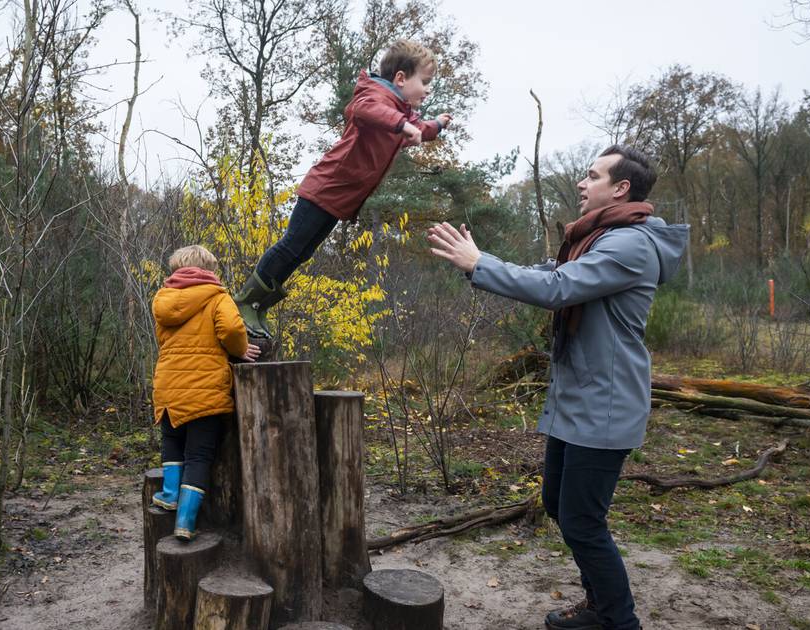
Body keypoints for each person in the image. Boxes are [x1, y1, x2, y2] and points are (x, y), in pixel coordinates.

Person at [426, 145, 688, 630]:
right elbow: (552, 274)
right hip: (580, 401)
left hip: (606, 406)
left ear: (621, 188)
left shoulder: (629, 245)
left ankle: (617, 620)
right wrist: (479, 262)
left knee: (583, 521)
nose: (582, 184)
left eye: (593, 176)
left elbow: (557, 289)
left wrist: (479, 263)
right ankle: (600, 606)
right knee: (559, 505)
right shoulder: (599, 239)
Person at [232, 39, 453, 350]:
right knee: (291, 245)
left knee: (302, 252)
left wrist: (437, 124)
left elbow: (420, 129)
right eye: (425, 82)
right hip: (325, 186)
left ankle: (259, 306)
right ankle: (245, 302)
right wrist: (402, 125)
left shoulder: (400, 112)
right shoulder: (376, 96)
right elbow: (364, 110)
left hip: (338, 199)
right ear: (401, 78)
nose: (428, 90)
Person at [150, 245, 260, 541]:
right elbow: (232, 330)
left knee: (171, 441)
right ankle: (185, 521)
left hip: (168, 386)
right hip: (204, 388)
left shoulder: (162, 298)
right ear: (207, 268)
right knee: (198, 456)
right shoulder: (217, 296)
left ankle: (169, 495)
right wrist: (240, 349)